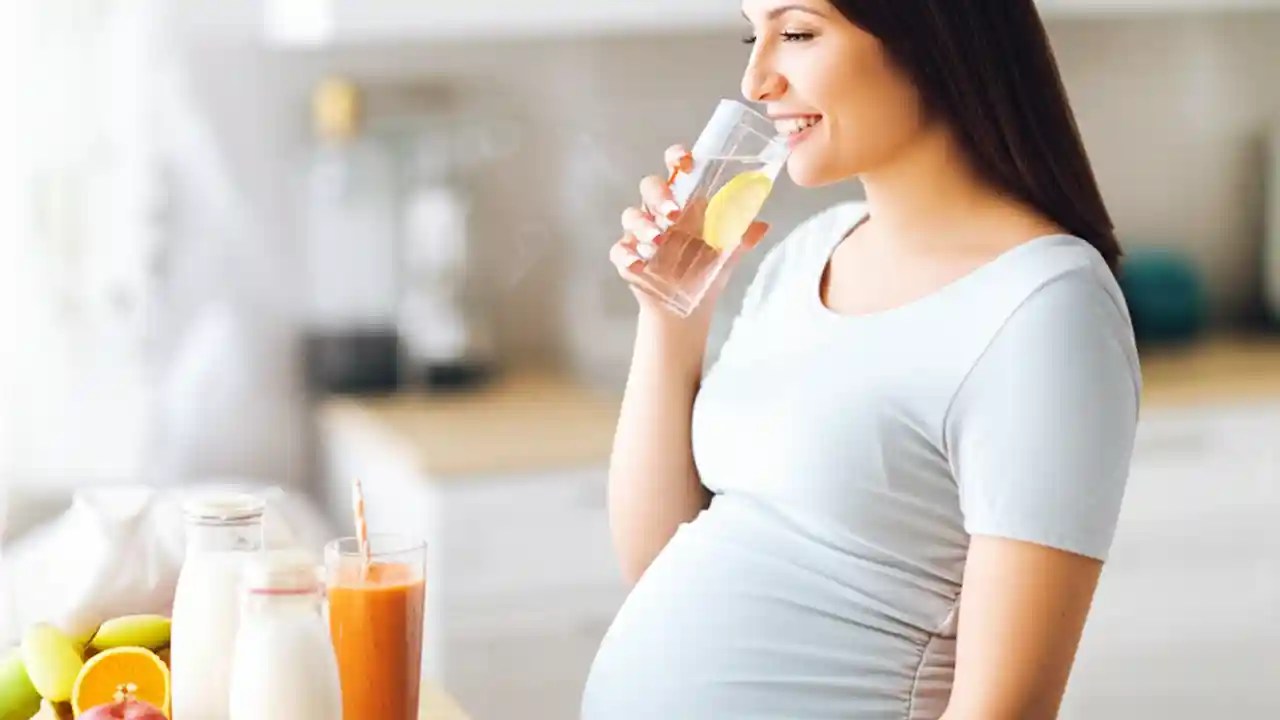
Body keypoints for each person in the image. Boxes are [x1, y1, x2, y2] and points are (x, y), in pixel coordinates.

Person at [581, 1, 1142, 718]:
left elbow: (1007, 709)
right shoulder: (812, 251)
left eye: (798, 34)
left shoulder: (1045, 306)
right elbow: (656, 563)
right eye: (754, 36)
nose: (756, 80)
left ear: (937, 36)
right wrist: (670, 314)